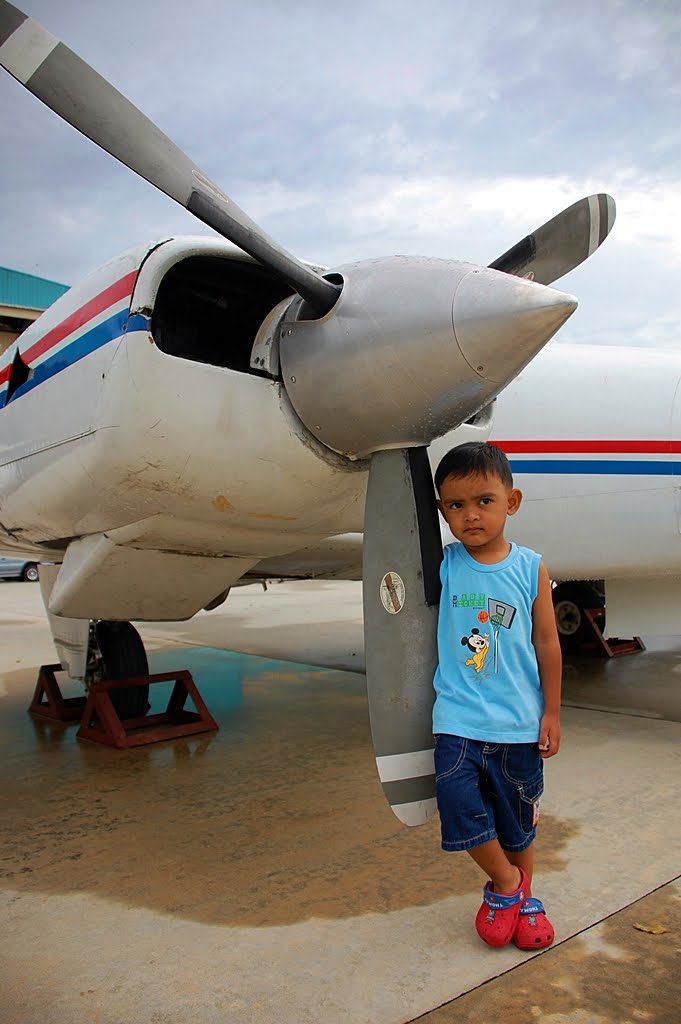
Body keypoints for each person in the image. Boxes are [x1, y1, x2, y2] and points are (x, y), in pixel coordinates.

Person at [432, 441, 562, 950]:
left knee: (517, 823)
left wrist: (551, 712)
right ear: (441, 511)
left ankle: (525, 897)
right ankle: (507, 884)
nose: (470, 515)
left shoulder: (531, 568)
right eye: (456, 505)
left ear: (512, 501)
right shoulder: (444, 564)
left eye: (484, 501)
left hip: (518, 723)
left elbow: (547, 642)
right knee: (457, 804)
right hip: (458, 719)